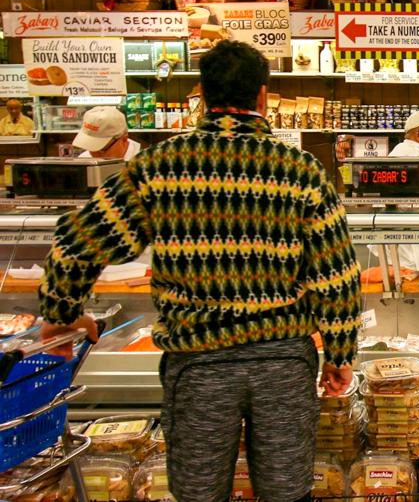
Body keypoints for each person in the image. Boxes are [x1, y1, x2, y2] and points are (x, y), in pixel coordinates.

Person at [38, 41, 361, 502]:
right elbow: (336, 276)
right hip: (283, 364)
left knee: (198, 492)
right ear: (264, 97)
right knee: (287, 492)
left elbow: (77, 243)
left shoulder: (159, 166)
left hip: (197, 365)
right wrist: (339, 353)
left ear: (202, 97)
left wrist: (63, 311)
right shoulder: (302, 170)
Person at [368, 110, 419, 271]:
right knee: (416, 290)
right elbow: (407, 203)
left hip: (415, 241)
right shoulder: (409, 156)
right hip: (411, 248)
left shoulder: (418, 155)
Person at [72, 106, 141, 160]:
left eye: (102, 149)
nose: (94, 155)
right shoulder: (84, 159)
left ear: (124, 139)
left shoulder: (144, 163)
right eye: (89, 147)